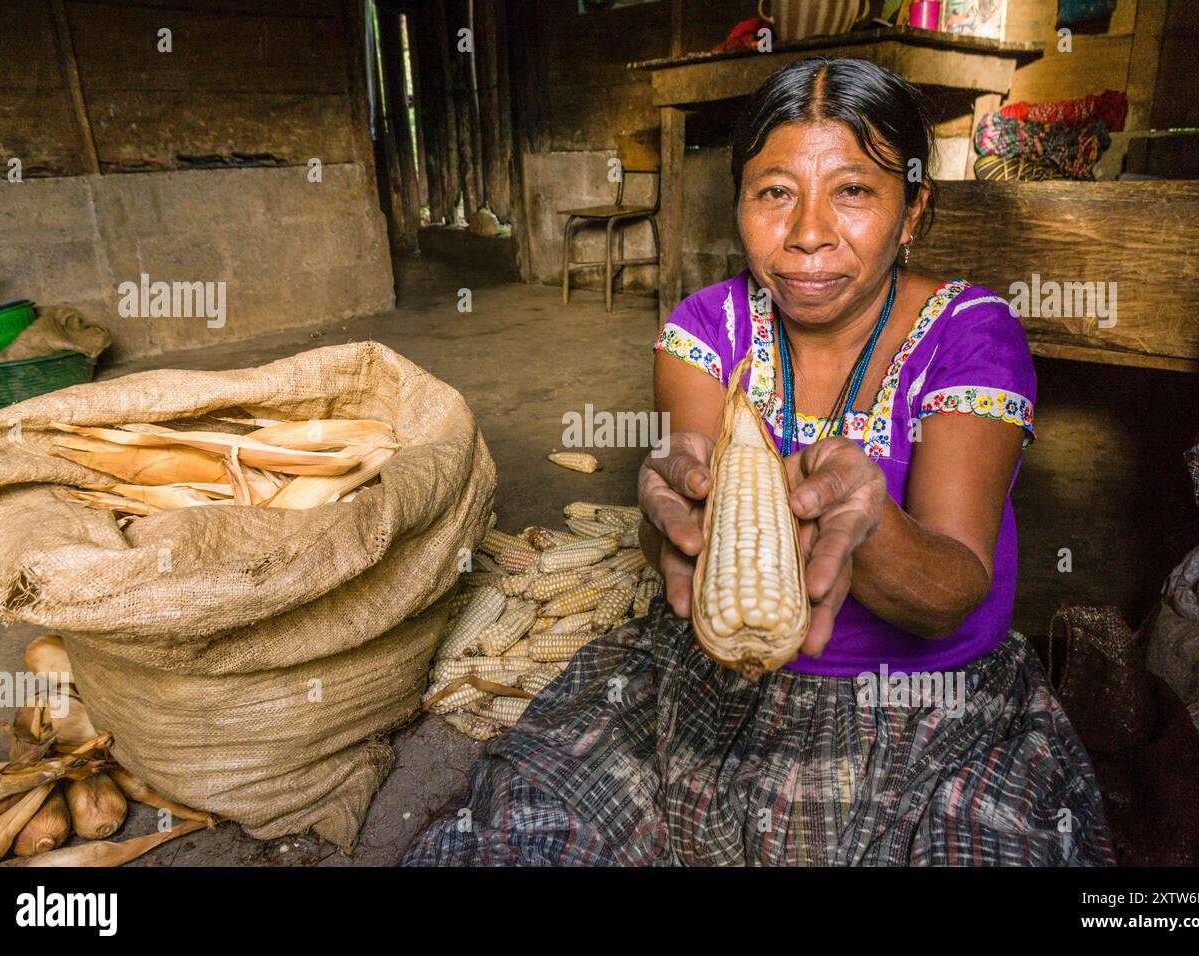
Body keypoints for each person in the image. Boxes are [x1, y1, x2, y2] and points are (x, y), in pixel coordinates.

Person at [401, 56, 1115, 866]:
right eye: (775, 191)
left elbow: (950, 592)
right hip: (717, 681)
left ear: (914, 210)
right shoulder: (706, 328)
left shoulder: (971, 335)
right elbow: (684, 513)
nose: (808, 232)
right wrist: (660, 521)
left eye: (853, 190)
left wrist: (872, 521)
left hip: (930, 708)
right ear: (738, 202)